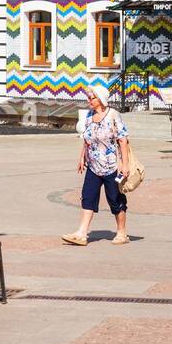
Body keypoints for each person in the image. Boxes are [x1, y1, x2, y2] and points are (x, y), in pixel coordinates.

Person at [63, 84, 130, 247]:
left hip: (112, 166)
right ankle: (82, 233)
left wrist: (125, 164)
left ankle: (121, 233)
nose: (89, 100)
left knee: (115, 199)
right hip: (93, 166)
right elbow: (86, 139)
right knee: (88, 197)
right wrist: (81, 158)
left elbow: (122, 140)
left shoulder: (113, 115)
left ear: (101, 99)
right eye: (88, 97)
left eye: (91, 98)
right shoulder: (88, 115)